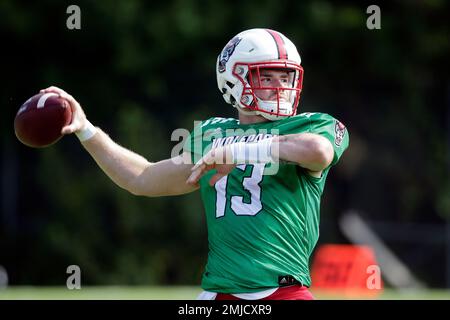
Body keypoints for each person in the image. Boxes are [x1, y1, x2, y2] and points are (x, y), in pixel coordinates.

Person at [41, 28, 349, 300]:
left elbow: (319, 151)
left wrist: (241, 151)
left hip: (285, 292)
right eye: (266, 76)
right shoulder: (213, 133)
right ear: (234, 78)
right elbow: (142, 178)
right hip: (219, 292)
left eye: (286, 77)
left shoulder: (309, 126)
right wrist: (86, 130)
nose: (279, 86)